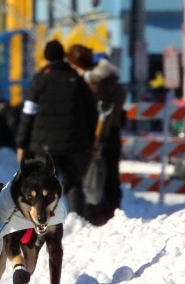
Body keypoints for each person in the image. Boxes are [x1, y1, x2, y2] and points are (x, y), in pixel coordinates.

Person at [15, 40, 98, 215]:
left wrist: (21, 143)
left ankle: (42, 219)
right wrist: (90, 141)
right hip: (74, 144)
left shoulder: (39, 81)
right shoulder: (77, 81)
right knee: (74, 183)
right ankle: (77, 218)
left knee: (43, 185)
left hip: (44, 145)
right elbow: (91, 113)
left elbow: (28, 114)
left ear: (46, 59)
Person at [66, 45, 127, 226]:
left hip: (93, 135)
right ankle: (113, 213)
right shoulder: (113, 82)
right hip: (113, 134)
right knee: (111, 177)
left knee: (91, 178)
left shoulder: (89, 85)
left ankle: (94, 213)